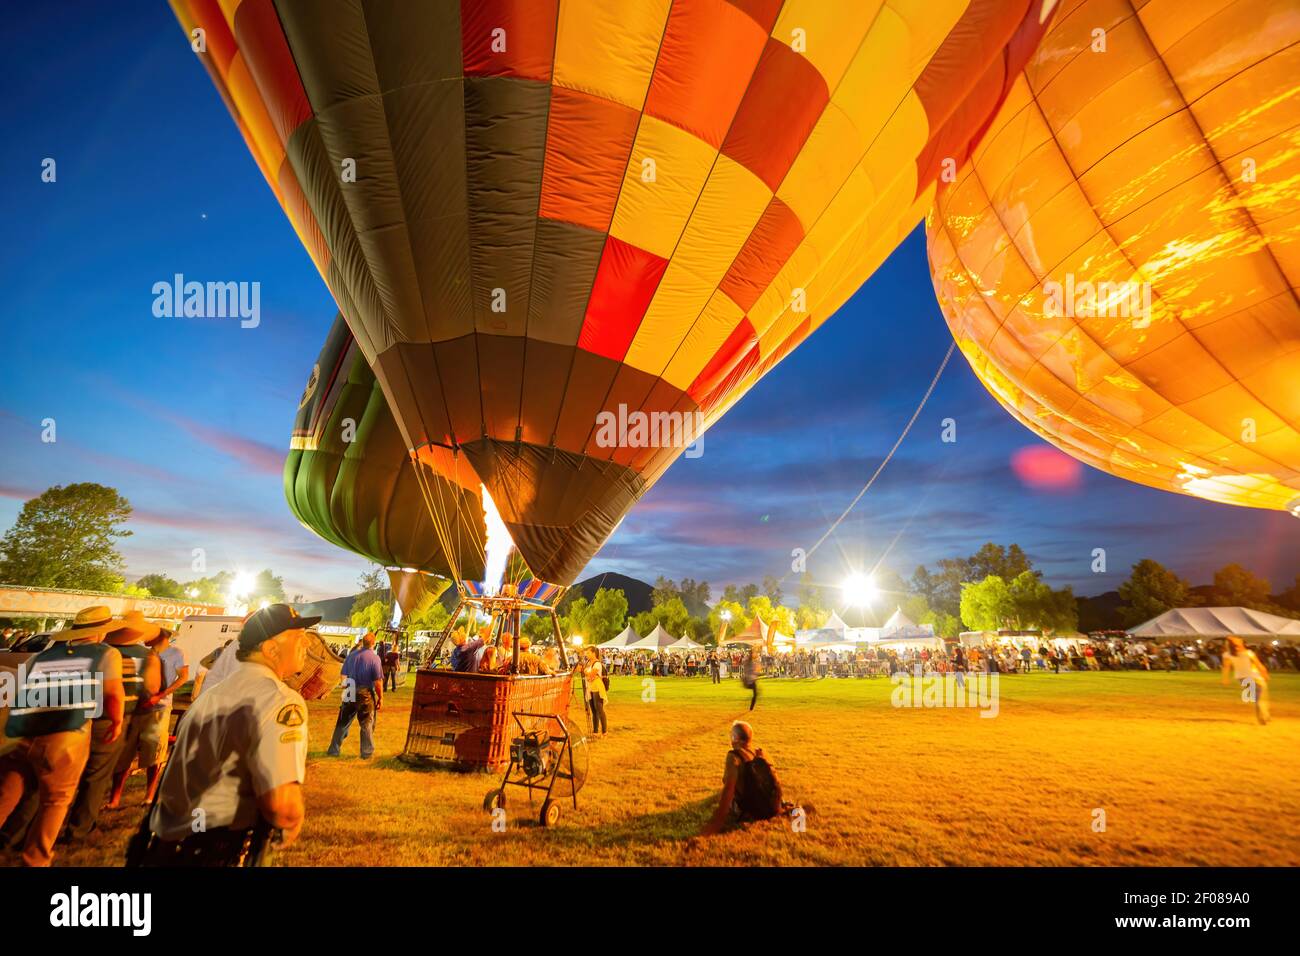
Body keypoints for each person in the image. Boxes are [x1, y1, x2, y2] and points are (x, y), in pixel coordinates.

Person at [132, 603, 316, 866]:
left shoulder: (211, 696)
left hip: (170, 843)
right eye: (299, 638)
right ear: (271, 649)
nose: (307, 644)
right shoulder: (280, 700)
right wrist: (292, 818)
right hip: (223, 846)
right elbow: (280, 803)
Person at [0, 606, 126, 866]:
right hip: (65, 735)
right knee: (55, 801)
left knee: (6, 794)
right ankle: (35, 859)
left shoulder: (45, 654)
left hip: (24, 730)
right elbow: (113, 692)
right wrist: (116, 720)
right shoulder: (106, 653)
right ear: (101, 632)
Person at [64, 610, 161, 843]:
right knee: (96, 775)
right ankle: (81, 827)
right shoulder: (147, 657)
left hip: (73, 715)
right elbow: (151, 689)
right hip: (112, 718)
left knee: (64, 772)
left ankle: (40, 822)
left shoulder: (90, 651)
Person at [107, 625, 188, 809]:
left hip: (159, 708)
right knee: (125, 753)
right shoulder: (143, 653)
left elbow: (183, 677)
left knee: (154, 753)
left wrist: (160, 695)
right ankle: (115, 798)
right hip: (136, 707)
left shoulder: (176, 652)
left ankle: (149, 795)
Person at [700, 721, 790, 836]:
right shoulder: (763, 754)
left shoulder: (734, 756)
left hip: (752, 810)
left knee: (722, 794)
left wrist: (716, 822)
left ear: (734, 738)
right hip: (774, 807)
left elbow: (729, 789)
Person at [327, 632, 383, 759]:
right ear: (373, 644)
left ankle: (334, 749)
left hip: (350, 689)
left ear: (363, 642)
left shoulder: (351, 656)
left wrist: (345, 686)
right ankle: (366, 752)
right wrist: (380, 697)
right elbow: (378, 682)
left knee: (342, 722)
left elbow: (343, 675)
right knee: (366, 723)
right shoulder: (375, 658)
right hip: (365, 693)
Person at [1222, 636, 1270, 725]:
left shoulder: (1227, 655)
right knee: (1260, 697)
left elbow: (1226, 667)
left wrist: (1225, 679)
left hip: (1242, 678)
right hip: (1255, 677)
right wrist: (1265, 674)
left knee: (1257, 698)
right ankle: (1263, 717)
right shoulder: (1248, 653)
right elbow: (1259, 665)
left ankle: (1264, 715)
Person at [582, 646, 608, 738]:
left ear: (594, 653)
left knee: (599, 709)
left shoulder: (597, 664)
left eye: (588, 653)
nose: (587, 654)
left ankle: (604, 732)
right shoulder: (589, 663)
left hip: (597, 687)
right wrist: (587, 672)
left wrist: (585, 671)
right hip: (590, 688)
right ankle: (595, 731)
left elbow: (592, 675)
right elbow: (589, 676)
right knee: (594, 710)